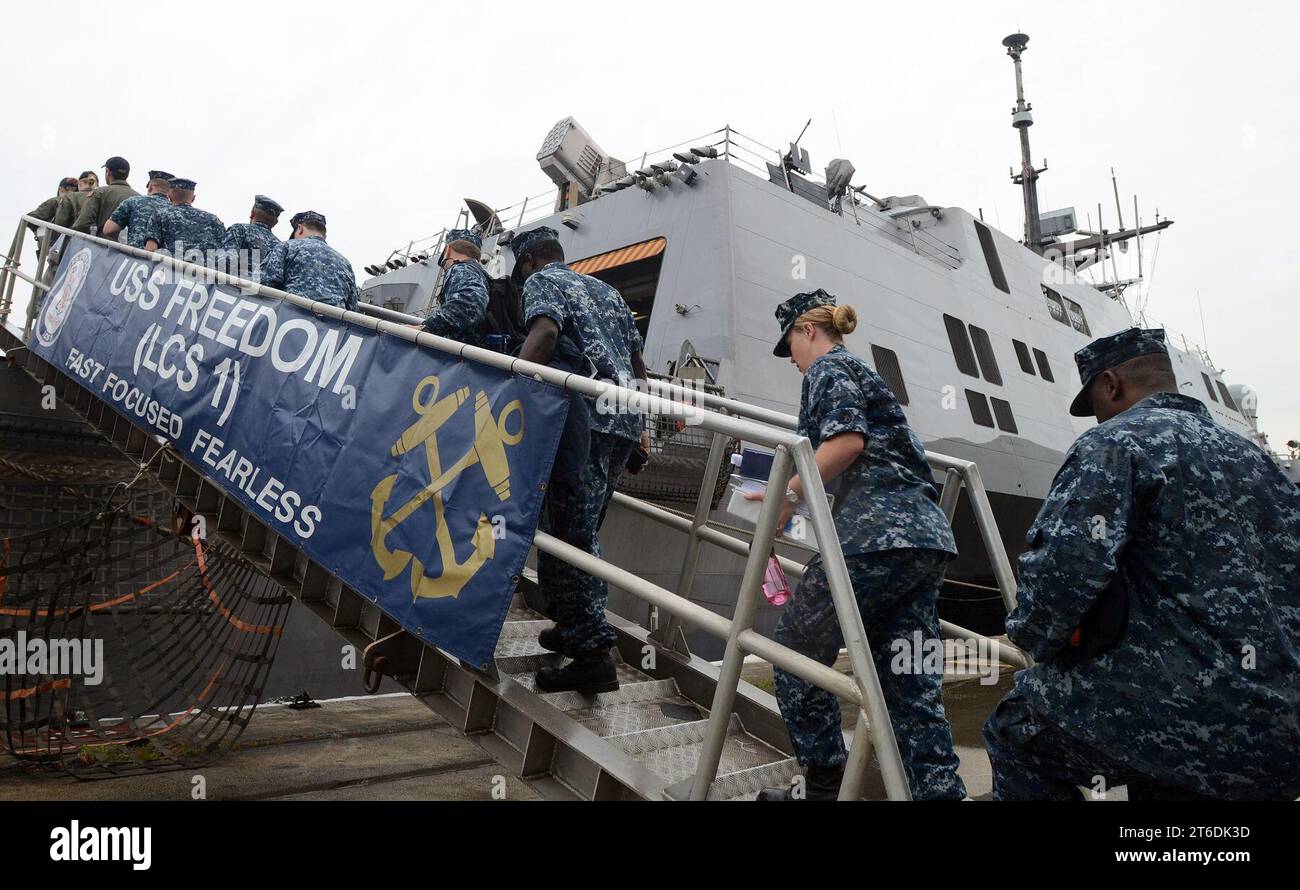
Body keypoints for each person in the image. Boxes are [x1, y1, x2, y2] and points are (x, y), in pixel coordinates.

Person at [983, 327, 1300, 801]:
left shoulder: (1114, 445)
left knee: (1014, 733)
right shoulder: (1259, 461)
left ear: (1111, 384)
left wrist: (1036, 638)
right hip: (1281, 728)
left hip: (1181, 716)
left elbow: (1063, 575)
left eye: (1095, 404)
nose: (1097, 420)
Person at [752, 289, 966, 801]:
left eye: (792, 347)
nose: (795, 363)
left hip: (872, 541)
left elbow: (847, 442)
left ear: (807, 331)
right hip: (923, 540)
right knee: (910, 687)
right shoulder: (862, 374)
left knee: (794, 655)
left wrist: (786, 496)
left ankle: (826, 786)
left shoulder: (828, 369)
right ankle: (941, 794)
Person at [514, 225, 650, 694]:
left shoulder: (541, 282)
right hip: (621, 420)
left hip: (582, 421)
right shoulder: (607, 291)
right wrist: (641, 433)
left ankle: (593, 652)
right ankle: (571, 626)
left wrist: (509, 390)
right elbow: (637, 366)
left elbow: (546, 332)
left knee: (567, 534)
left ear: (530, 260)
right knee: (582, 528)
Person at [259, 211, 358, 309]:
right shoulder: (345, 263)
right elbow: (352, 308)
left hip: (290, 318)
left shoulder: (287, 247)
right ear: (324, 235)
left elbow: (263, 284)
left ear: (300, 228)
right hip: (334, 322)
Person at [421, 228, 489, 346]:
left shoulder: (460, 269)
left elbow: (470, 303)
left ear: (447, 250)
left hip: (460, 357)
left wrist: (427, 327)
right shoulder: (480, 274)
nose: (443, 267)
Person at [142, 177, 226, 264]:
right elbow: (224, 254)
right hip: (205, 275)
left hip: (170, 273)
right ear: (193, 198)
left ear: (169, 196)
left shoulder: (160, 215)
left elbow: (150, 250)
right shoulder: (213, 220)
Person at [103, 170, 173, 248]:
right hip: (164, 259)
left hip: (134, 257)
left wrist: (124, 241)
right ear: (170, 192)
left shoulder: (133, 201)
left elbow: (108, 229)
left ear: (150, 187)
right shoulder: (175, 210)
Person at [219, 195, 283, 280]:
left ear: (252, 213)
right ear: (275, 223)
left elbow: (224, 261)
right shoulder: (280, 246)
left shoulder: (240, 229)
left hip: (231, 289)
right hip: (262, 292)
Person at [73, 155, 138, 238]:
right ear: (127, 174)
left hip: (102, 247)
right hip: (129, 249)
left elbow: (82, 224)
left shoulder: (99, 192)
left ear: (108, 172)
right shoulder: (138, 197)